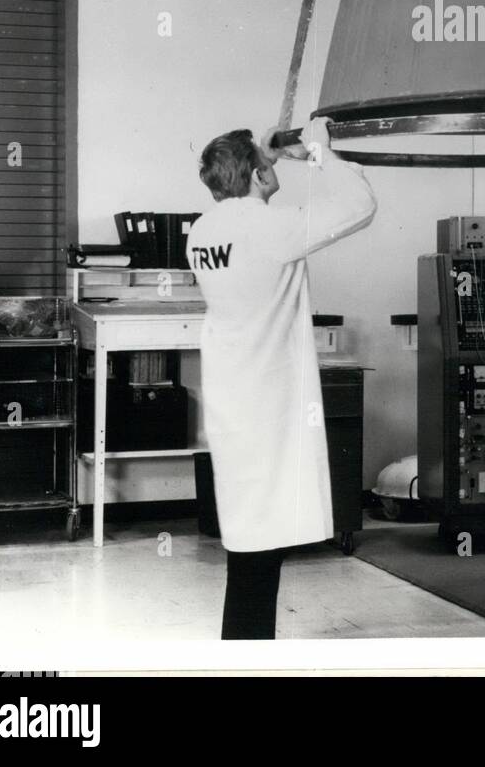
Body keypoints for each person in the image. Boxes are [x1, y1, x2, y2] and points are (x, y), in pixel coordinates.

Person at [187, 118, 376, 639]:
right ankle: (247, 657)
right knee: (258, 551)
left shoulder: (205, 231)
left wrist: (267, 156)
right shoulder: (269, 228)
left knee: (252, 547)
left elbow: (254, 216)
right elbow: (360, 207)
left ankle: (245, 652)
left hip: (235, 400)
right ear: (255, 175)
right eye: (266, 166)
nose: (274, 171)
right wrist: (321, 153)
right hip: (267, 405)